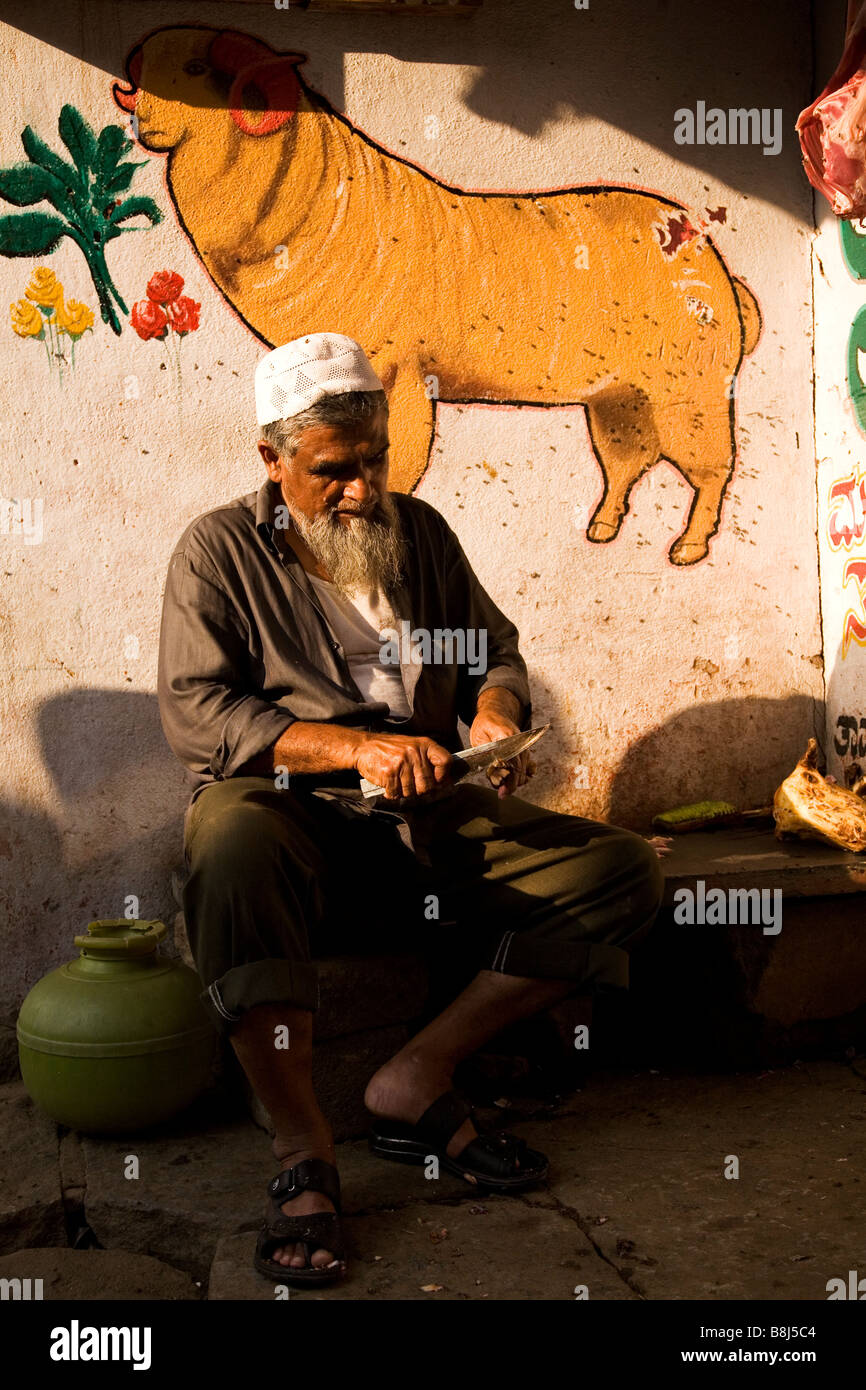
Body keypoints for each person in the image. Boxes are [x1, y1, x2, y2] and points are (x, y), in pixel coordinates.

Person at [157, 332, 664, 1287]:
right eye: (330, 472)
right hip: (294, 821)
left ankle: (415, 1075)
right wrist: (357, 748)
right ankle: (303, 1148)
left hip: (427, 821)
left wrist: (496, 711)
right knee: (225, 835)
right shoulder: (218, 551)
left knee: (622, 872)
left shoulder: (418, 533)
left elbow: (496, 651)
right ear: (272, 461)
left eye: (374, 461)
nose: (359, 490)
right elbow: (200, 715)